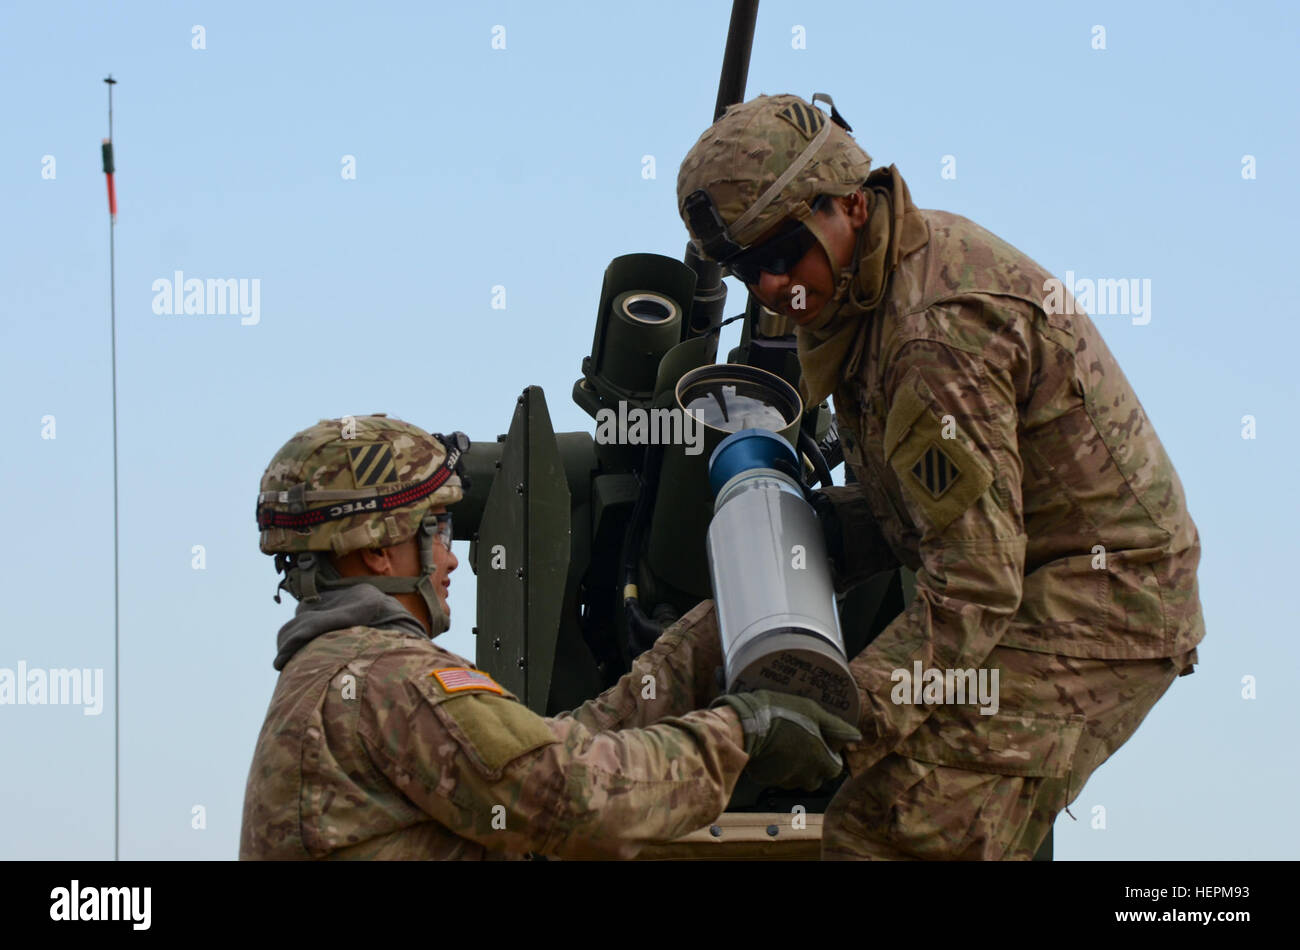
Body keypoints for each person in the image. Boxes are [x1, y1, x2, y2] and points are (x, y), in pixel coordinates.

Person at [676, 94, 1205, 860]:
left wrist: (839, 713)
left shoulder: (933, 335)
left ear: (850, 204)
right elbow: (918, 506)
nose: (767, 286)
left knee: (899, 827)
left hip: (1103, 599)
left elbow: (976, 583)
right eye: (746, 267)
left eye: (782, 252)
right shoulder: (868, 293)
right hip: (1014, 562)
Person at [240, 413, 858, 860]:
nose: (450, 559)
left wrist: (713, 627)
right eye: (435, 527)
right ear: (376, 550)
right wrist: (742, 733)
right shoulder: (386, 682)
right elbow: (575, 796)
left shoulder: (335, 676)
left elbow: (556, 748)